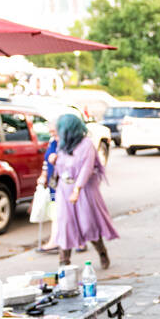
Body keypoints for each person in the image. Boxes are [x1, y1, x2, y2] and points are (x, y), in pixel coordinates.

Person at [50, 114, 117, 269]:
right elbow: (62, 167)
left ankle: (102, 252)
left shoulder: (87, 144)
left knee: (88, 224)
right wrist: (55, 160)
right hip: (64, 190)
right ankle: (64, 264)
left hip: (84, 190)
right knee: (65, 226)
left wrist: (77, 190)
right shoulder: (63, 144)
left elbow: (86, 169)